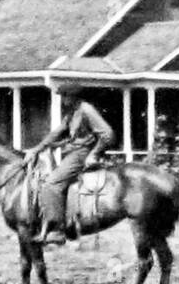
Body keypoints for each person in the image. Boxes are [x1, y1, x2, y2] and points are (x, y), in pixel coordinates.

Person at [25, 83, 115, 246]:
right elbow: (57, 132)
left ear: (74, 96)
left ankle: (57, 230)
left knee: (51, 183)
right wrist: (37, 149)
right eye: (62, 96)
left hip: (81, 154)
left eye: (65, 96)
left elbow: (107, 134)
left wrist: (93, 154)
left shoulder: (86, 110)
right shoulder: (72, 112)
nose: (63, 100)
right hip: (73, 152)